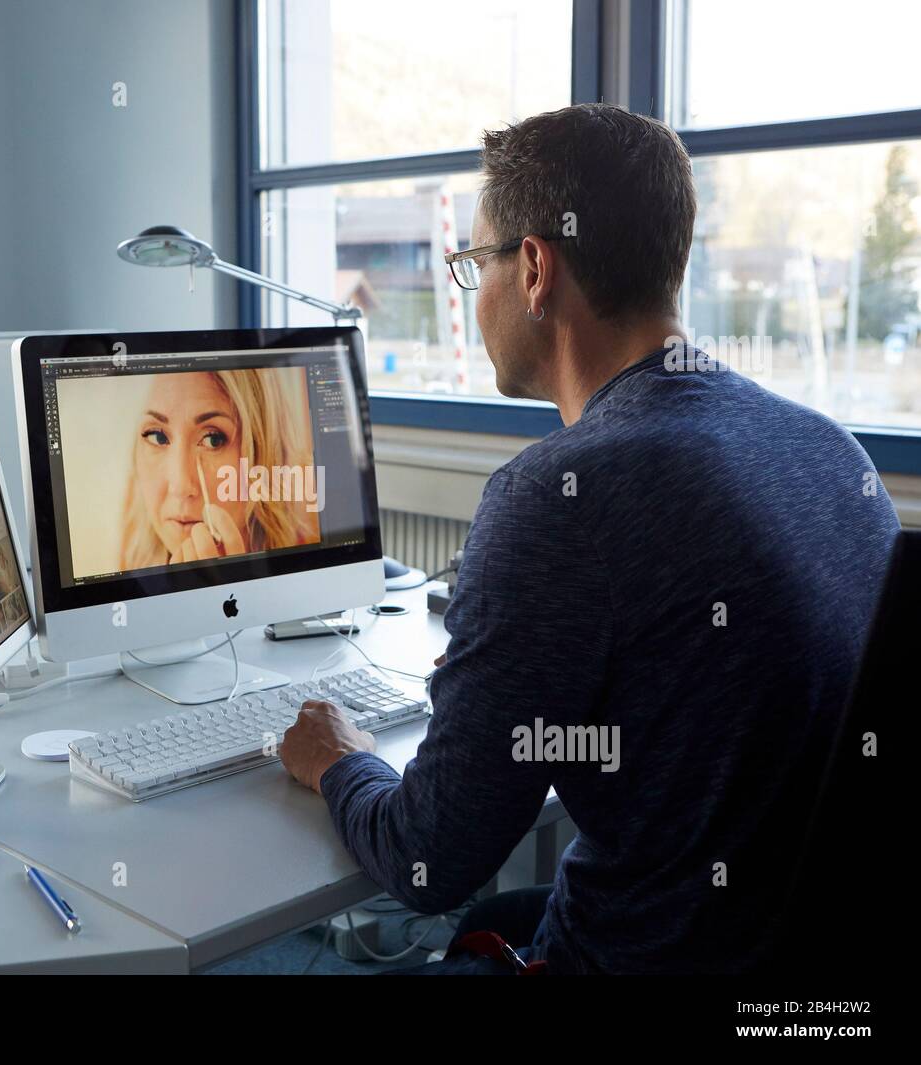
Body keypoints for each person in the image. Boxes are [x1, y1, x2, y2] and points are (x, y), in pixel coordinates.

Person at [278, 103, 901, 974]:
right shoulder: (829, 447)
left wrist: (338, 759)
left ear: (534, 267)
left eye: (473, 260)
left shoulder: (557, 498)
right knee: (498, 912)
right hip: (791, 964)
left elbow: (429, 856)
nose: (475, 284)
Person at [119, 368, 320, 570]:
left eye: (213, 440)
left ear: (263, 455)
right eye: (158, 437)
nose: (180, 487)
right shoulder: (130, 558)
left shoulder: (313, 564)